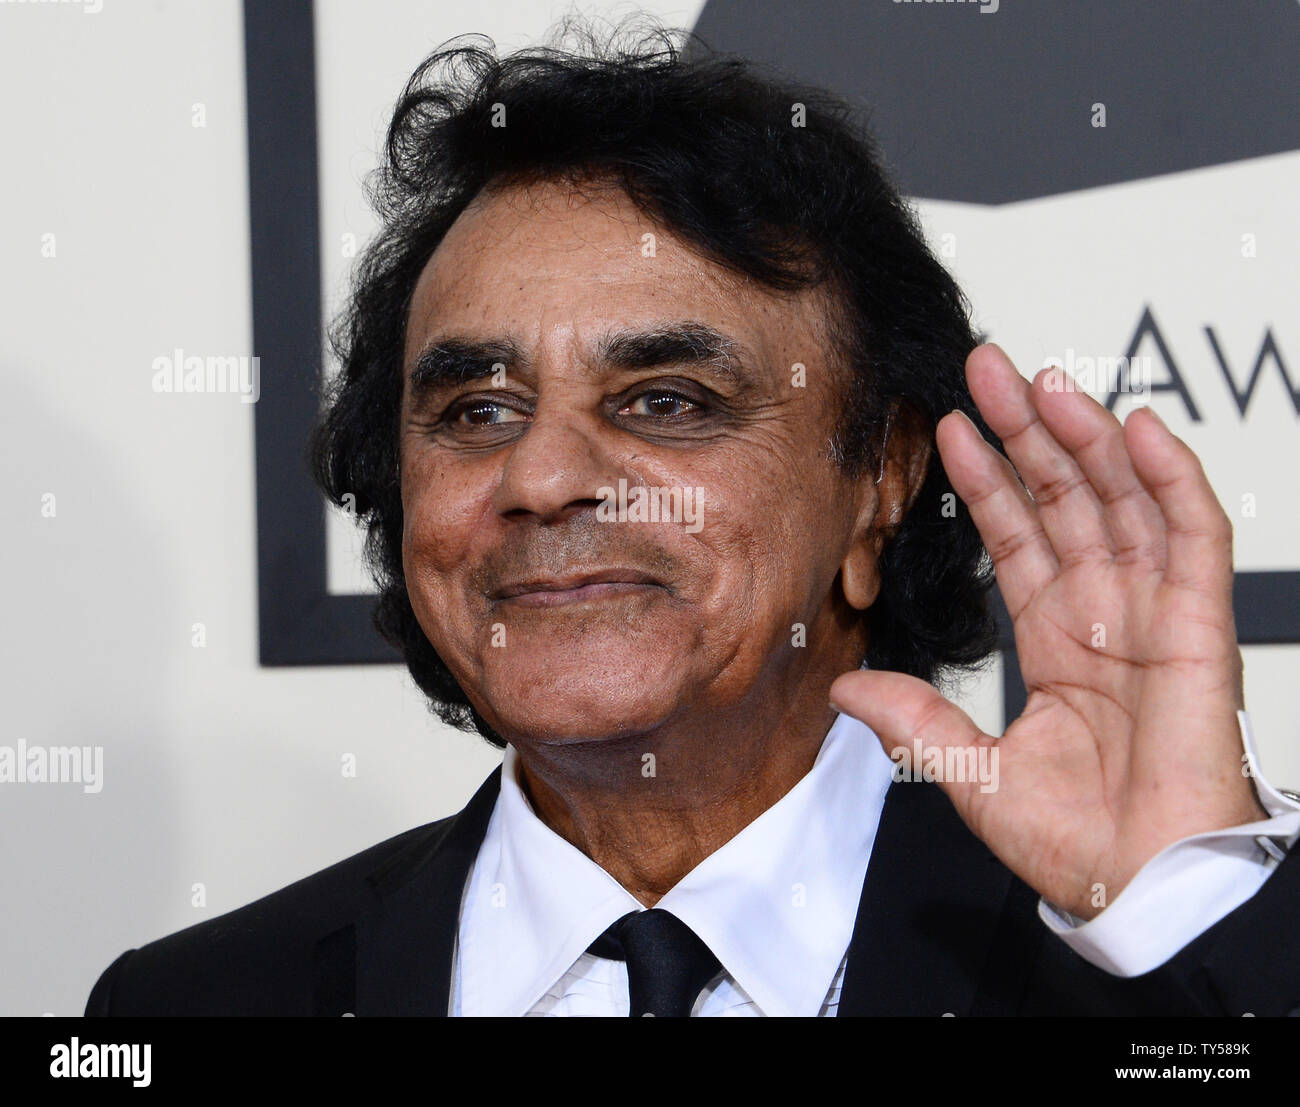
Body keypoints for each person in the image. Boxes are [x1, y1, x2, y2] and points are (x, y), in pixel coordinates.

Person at [87, 27, 1300, 1017]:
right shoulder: (191, 1006)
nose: (545, 475)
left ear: (881, 476)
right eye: (474, 408)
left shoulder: (1144, 965)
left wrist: (1182, 915)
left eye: (666, 401)